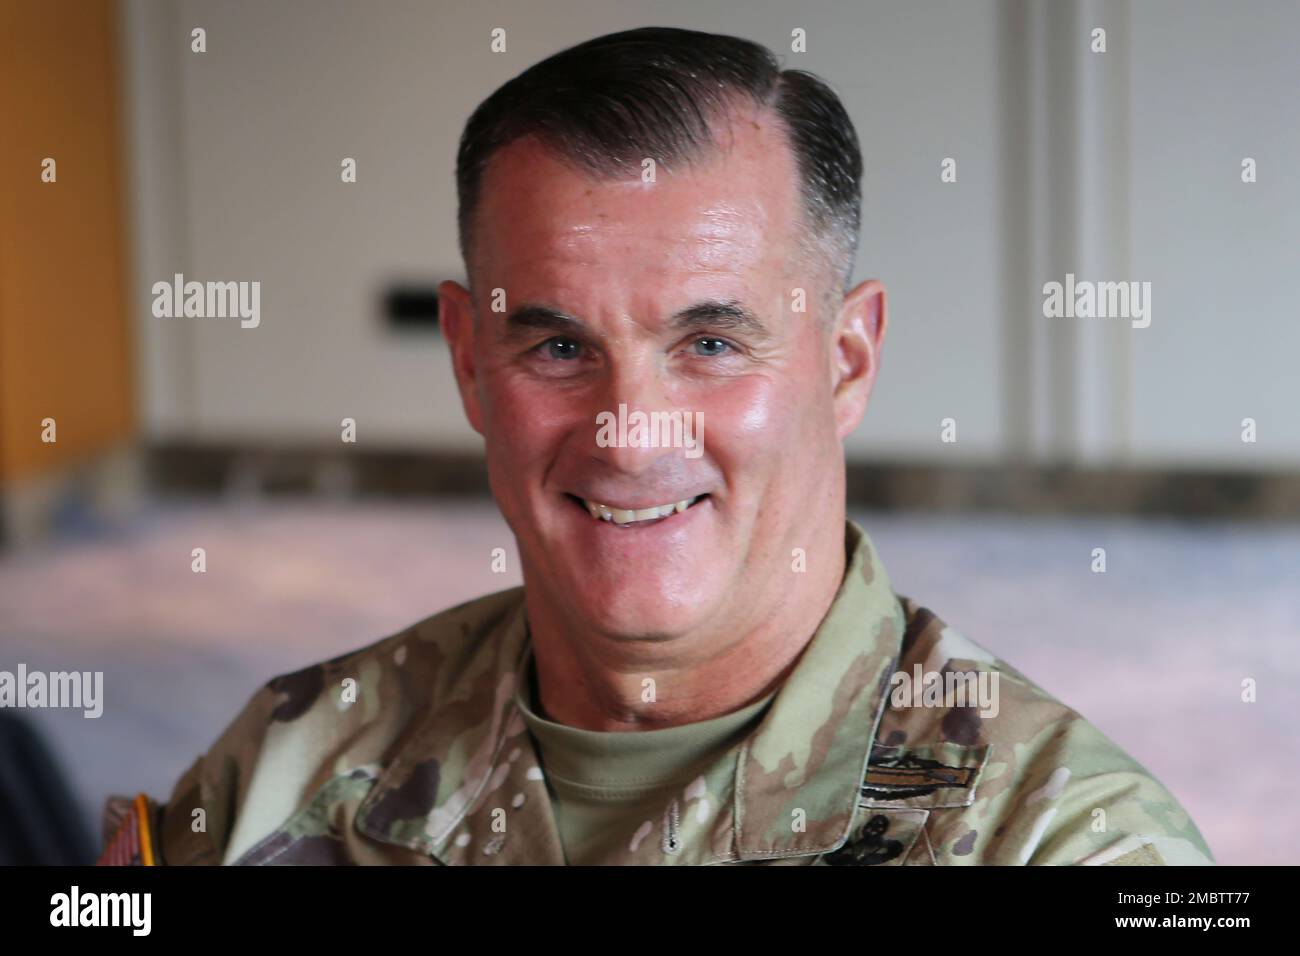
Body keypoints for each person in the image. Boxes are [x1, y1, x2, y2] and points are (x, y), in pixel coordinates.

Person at [102, 26, 1213, 866]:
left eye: (712, 342)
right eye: (557, 346)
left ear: (847, 359)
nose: (631, 433)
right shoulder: (293, 763)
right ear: (467, 360)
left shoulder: (1072, 840)